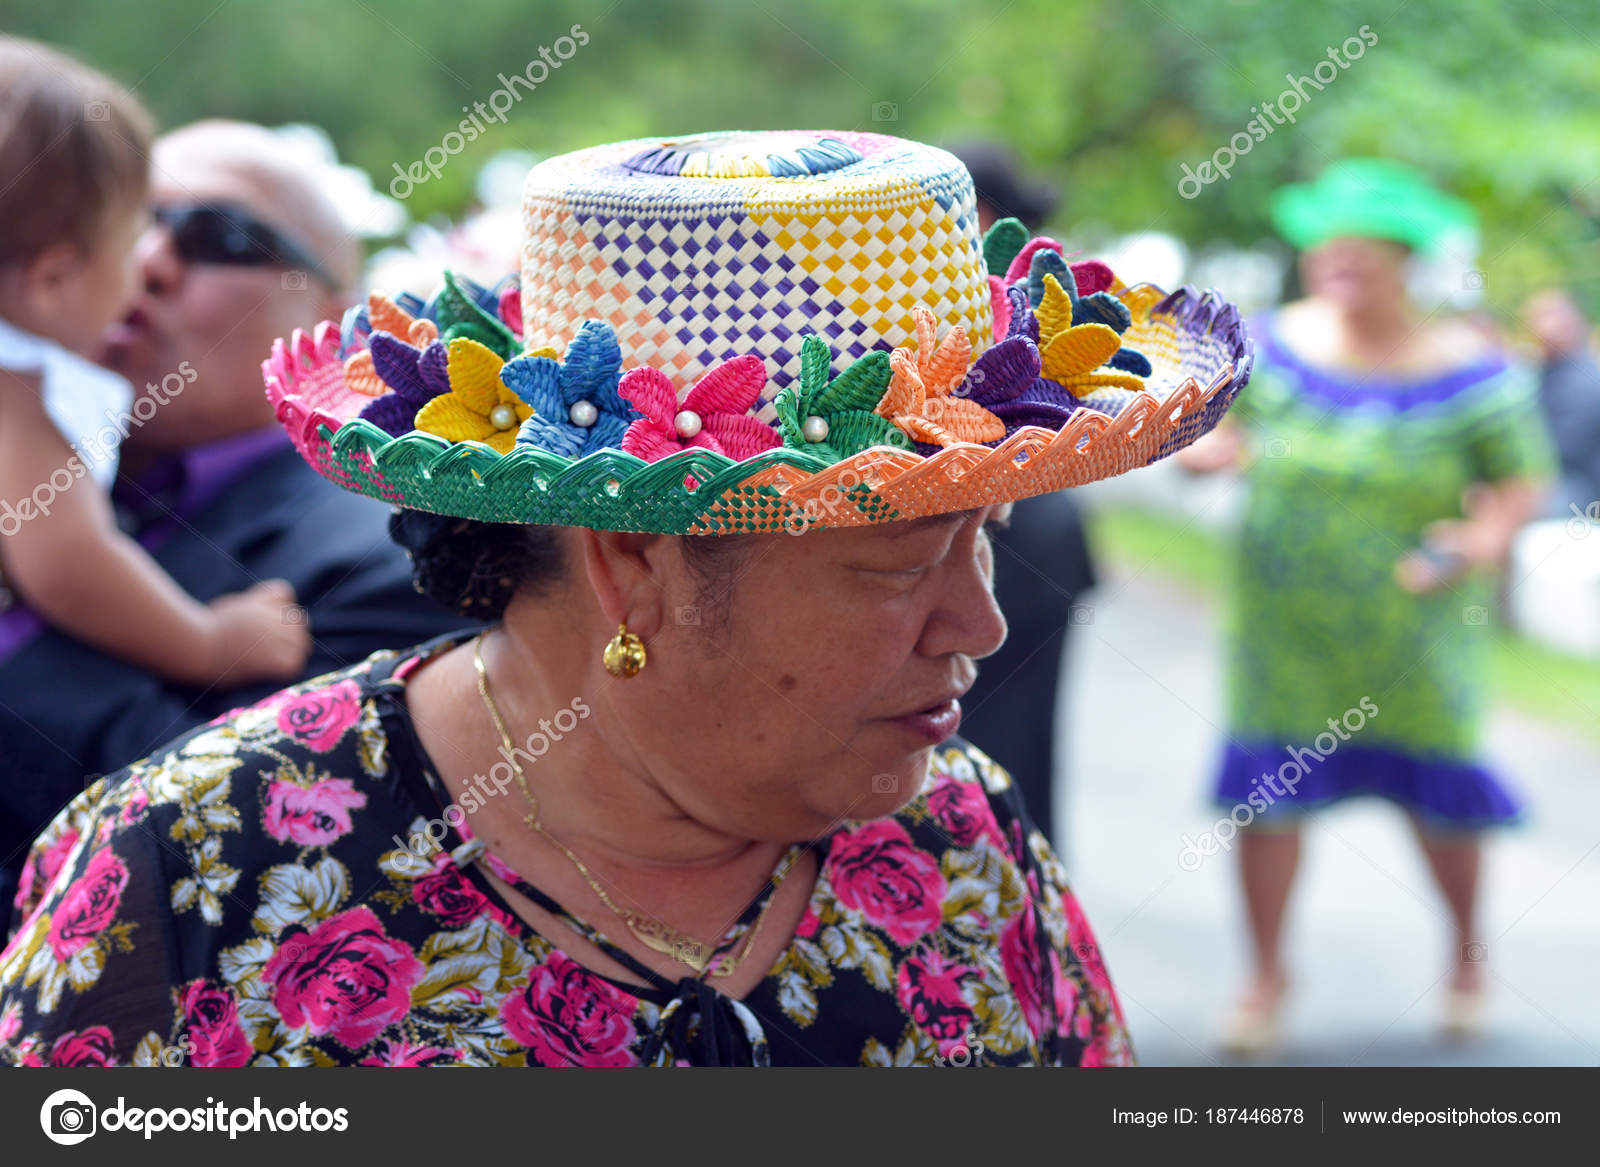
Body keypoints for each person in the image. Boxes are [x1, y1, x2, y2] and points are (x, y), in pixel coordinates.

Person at [0, 130, 1251, 1066]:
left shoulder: (958, 839)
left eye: (989, 540)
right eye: (892, 565)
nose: (979, 625)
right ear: (628, 565)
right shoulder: (198, 873)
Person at [0, 118, 476, 904]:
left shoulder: (390, 560)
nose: (146, 264)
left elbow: (234, 850)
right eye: (125, 226)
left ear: (338, 315)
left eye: (216, 235)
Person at [1180, 159, 1553, 1053]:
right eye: (1325, 253)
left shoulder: (1472, 369)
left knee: (1442, 793)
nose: (1337, 268)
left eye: (1360, 256)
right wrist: (1210, 451)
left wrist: (1483, 542)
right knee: (1269, 798)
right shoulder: (1265, 344)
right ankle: (1265, 977)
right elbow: (1212, 429)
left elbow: (1520, 480)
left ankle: (1467, 959)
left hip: (1415, 628)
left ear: (1405, 262)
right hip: (1285, 626)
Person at [0, 50, 309, 719]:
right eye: (137, 234)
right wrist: (210, 642)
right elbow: (67, 563)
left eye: (217, 237)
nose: (152, 264)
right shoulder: (19, 392)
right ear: (53, 279)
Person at [950, 141, 1098, 845]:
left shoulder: (1007, 298)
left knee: (1002, 746)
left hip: (1024, 541)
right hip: (1026, 537)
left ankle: (1016, 883)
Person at [1522, 289, 1600, 515]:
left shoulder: (1584, 382)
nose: (1547, 327)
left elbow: (1553, 451)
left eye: (1554, 316)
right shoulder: (1544, 372)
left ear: (1576, 323)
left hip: (1582, 487)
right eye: (1539, 317)